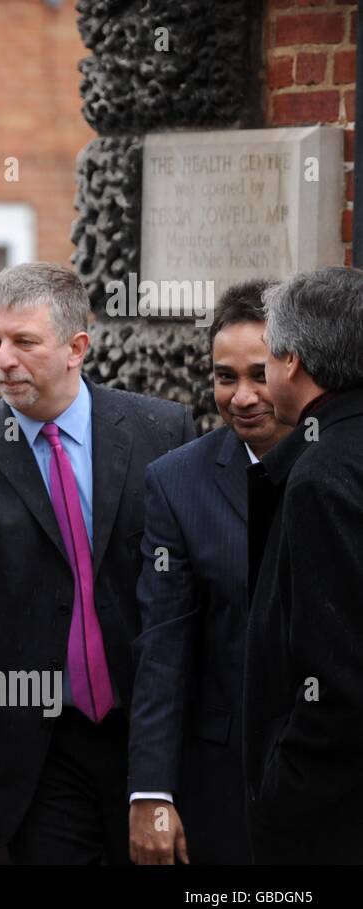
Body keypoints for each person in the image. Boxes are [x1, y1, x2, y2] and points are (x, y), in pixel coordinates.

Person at [0, 262, 193, 864]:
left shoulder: (161, 432)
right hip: (36, 753)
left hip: (150, 733)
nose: (2, 360)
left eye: (24, 342)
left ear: (78, 347)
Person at [129, 280, 290, 865]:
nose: (242, 396)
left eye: (259, 373)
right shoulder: (178, 482)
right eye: (226, 377)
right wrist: (151, 791)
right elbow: (163, 645)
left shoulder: (342, 463)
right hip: (223, 778)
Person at [244, 266, 363, 864]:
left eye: (266, 354)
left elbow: (334, 678)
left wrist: (279, 792)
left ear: (291, 361)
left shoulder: (321, 475)